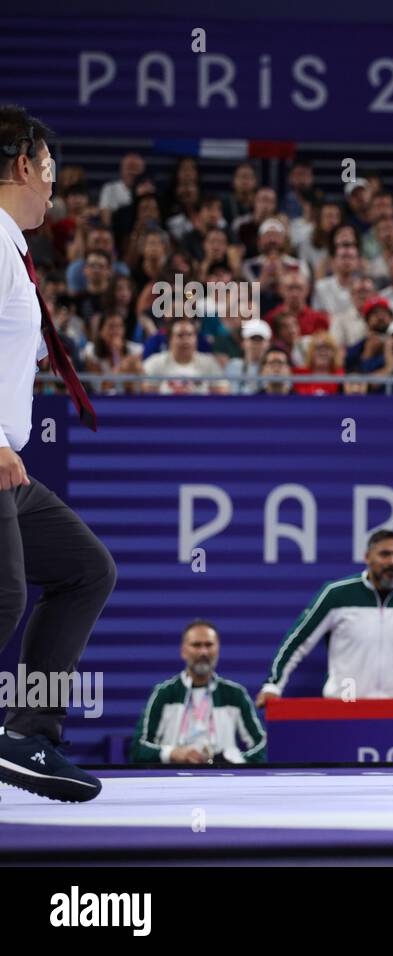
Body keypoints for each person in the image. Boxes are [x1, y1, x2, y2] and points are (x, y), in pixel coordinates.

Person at [0, 106, 117, 802]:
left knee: (82, 569)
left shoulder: (12, 247)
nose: (53, 187)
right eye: (49, 172)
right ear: (23, 163)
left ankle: (27, 735)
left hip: (9, 464)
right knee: (5, 592)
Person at [257, 530, 393, 706]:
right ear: (367, 557)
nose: (392, 562)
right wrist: (272, 686)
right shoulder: (336, 594)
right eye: (384, 554)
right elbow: (298, 641)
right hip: (346, 706)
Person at [130, 620, 267, 764]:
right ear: (183, 651)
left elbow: (261, 745)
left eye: (209, 645)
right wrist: (173, 754)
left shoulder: (234, 694)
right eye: (196, 645)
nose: (203, 652)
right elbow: (138, 749)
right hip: (174, 779)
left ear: (218, 649)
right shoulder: (164, 694)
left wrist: (232, 760)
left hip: (223, 780)